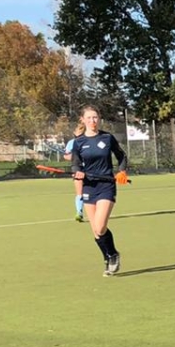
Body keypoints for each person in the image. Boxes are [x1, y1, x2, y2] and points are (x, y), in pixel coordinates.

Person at [70, 105, 126, 275]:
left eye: (95, 117)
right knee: (95, 231)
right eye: (89, 118)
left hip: (106, 186)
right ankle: (109, 258)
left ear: (99, 118)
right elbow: (75, 163)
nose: (92, 121)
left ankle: (113, 254)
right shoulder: (79, 142)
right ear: (83, 120)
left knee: (100, 227)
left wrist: (122, 171)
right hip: (89, 186)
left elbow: (121, 156)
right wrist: (78, 172)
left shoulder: (107, 138)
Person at [62, 122, 85, 221]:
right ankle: (79, 212)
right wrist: (73, 157)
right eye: (77, 131)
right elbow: (66, 156)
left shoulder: (89, 141)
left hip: (90, 168)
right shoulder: (71, 142)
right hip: (77, 168)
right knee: (79, 191)